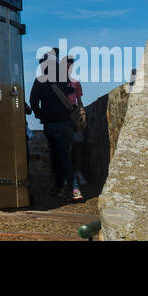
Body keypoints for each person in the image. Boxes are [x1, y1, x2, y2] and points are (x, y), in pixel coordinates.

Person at [30, 48, 81, 201]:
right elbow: (69, 93)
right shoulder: (63, 77)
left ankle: (74, 188)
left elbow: (33, 102)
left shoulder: (39, 80)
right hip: (66, 122)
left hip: (51, 124)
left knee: (61, 157)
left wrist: (40, 115)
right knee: (62, 155)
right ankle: (58, 187)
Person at [64, 56, 89, 194]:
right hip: (63, 116)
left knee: (78, 144)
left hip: (75, 115)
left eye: (70, 66)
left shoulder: (75, 82)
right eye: (66, 66)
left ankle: (77, 171)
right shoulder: (59, 82)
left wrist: (81, 116)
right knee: (67, 147)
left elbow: (79, 100)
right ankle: (67, 175)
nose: (68, 68)